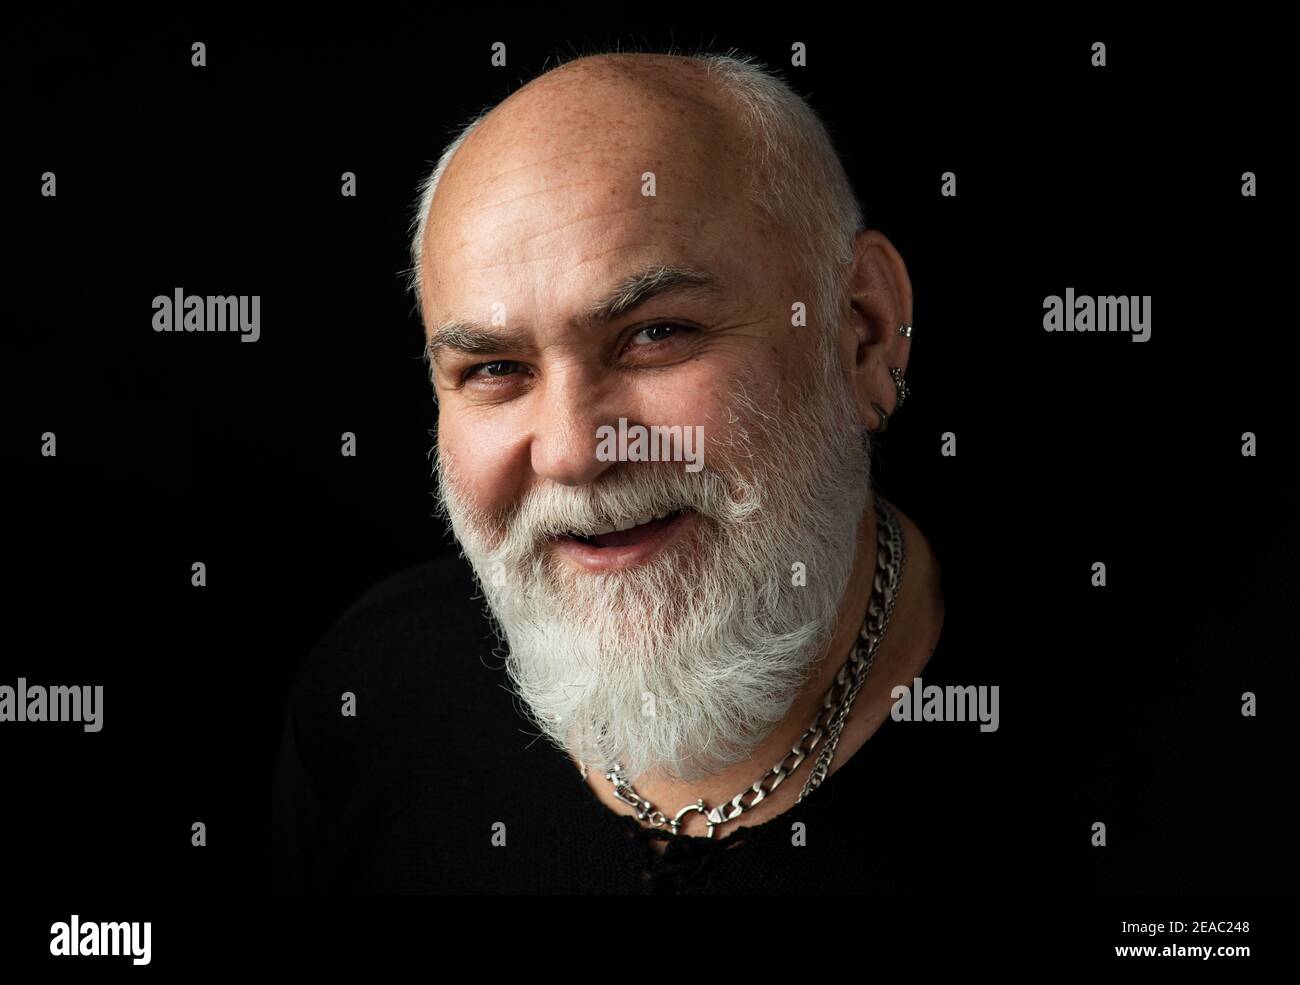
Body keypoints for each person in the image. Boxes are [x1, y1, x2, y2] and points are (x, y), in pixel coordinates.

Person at [272, 49, 1012, 893]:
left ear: (865, 334)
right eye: (496, 369)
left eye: (656, 334)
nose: (576, 452)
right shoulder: (370, 699)